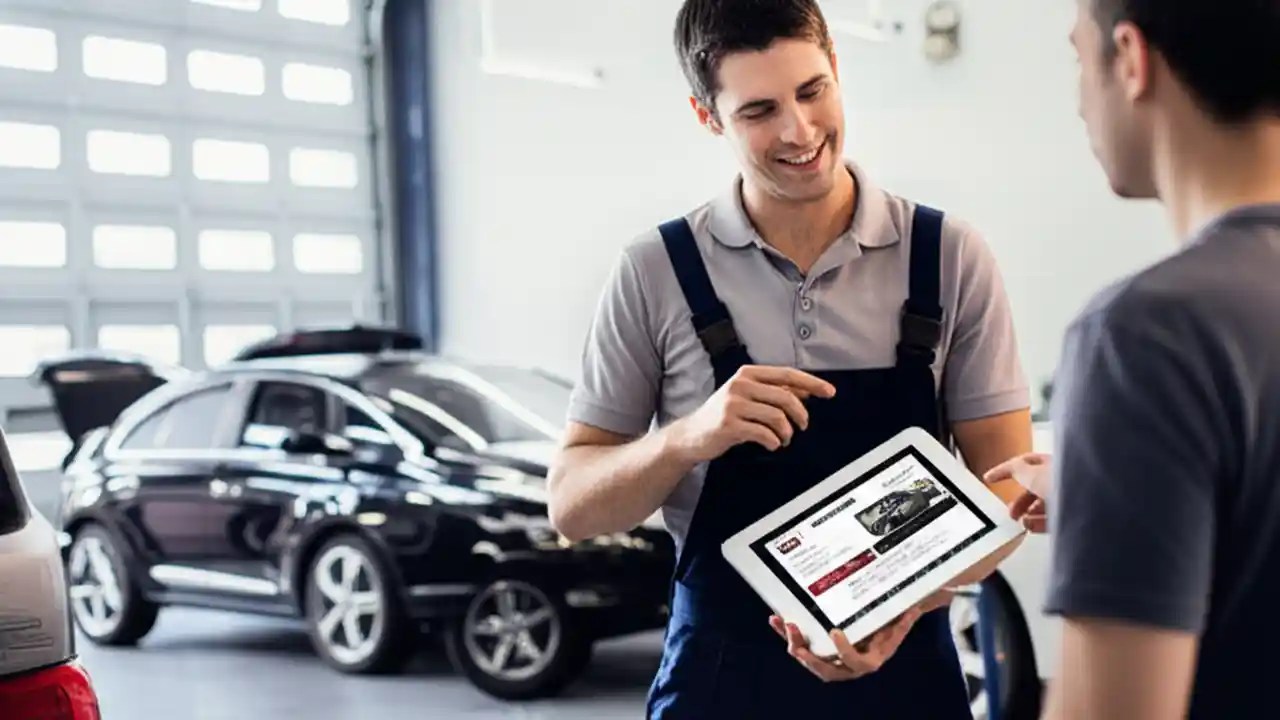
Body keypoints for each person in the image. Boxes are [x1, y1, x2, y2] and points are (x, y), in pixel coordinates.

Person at [546, 1, 1033, 716]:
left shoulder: (949, 257)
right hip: (718, 682)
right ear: (707, 114)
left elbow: (1006, 493)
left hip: (906, 676)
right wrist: (689, 437)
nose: (799, 132)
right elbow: (572, 508)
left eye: (812, 91)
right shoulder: (655, 271)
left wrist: (897, 604)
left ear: (836, 68)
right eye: (759, 110)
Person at [984, 0, 1280, 717]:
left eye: (1079, 61)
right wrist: (1129, 489)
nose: (1081, 103)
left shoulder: (1147, 335)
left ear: (1132, 59)